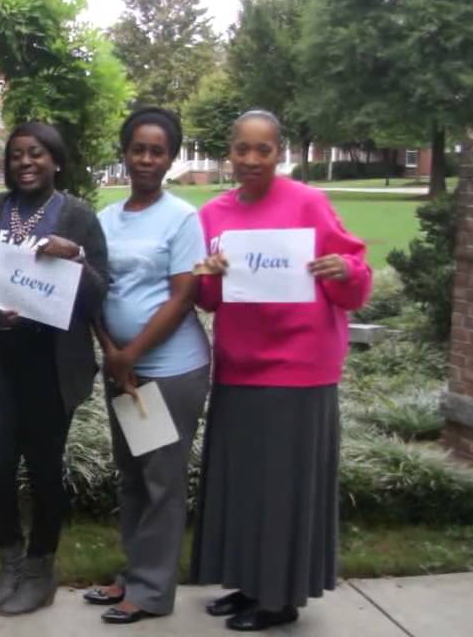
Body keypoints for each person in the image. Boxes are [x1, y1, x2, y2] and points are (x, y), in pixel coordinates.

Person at [188, 110, 371, 632]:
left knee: (285, 489)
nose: (250, 159)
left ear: (279, 152)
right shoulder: (215, 214)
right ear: (230, 151)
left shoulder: (308, 203)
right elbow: (206, 297)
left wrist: (346, 269)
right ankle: (248, 584)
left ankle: (279, 599)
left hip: (300, 369)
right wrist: (211, 274)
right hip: (240, 367)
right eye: (241, 149)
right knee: (243, 484)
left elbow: (355, 279)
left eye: (262, 150)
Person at [0, 123, 109, 616]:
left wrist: (74, 255)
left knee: (45, 471)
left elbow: (98, 292)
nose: (25, 162)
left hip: (52, 365)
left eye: (36, 154)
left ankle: (40, 567)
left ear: (56, 161)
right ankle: (9, 559)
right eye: (15, 156)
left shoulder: (77, 217)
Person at [81, 107, 211, 624]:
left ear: (171, 159)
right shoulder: (106, 219)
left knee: (160, 480)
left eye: (158, 151)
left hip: (167, 370)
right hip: (123, 369)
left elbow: (183, 298)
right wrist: (112, 353)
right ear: (125, 153)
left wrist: (130, 356)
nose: (147, 158)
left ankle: (153, 591)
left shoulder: (182, 218)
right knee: (132, 476)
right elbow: (93, 291)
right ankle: (135, 574)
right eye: (139, 148)